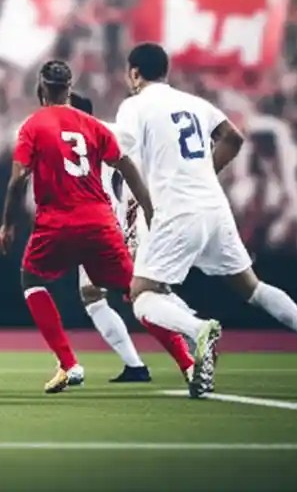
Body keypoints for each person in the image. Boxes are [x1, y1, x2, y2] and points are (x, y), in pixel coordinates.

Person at [116, 43, 297, 398]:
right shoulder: (194, 102)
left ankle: (198, 329)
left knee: (142, 296)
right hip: (214, 208)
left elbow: (122, 157)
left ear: (134, 73)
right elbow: (233, 138)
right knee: (253, 288)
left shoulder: (134, 106)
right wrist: (207, 170)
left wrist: (144, 206)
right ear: (166, 72)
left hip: (176, 211)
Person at [0, 60, 193, 394]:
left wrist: (7, 225)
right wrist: (148, 209)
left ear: (41, 89)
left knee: (31, 279)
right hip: (99, 223)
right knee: (136, 293)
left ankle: (69, 363)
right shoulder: (93, 125)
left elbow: (17, 181)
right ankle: (188, 362)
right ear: (70, 89)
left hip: (56, 222)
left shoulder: (32, 125)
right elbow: (126, 165)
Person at [69, 92, 194, 384]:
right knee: (100, 294)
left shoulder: (83, 135)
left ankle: (195, 335)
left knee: (139, 294)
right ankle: (139, 363)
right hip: (118, 222)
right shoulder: (115, 133)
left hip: (103, 226)